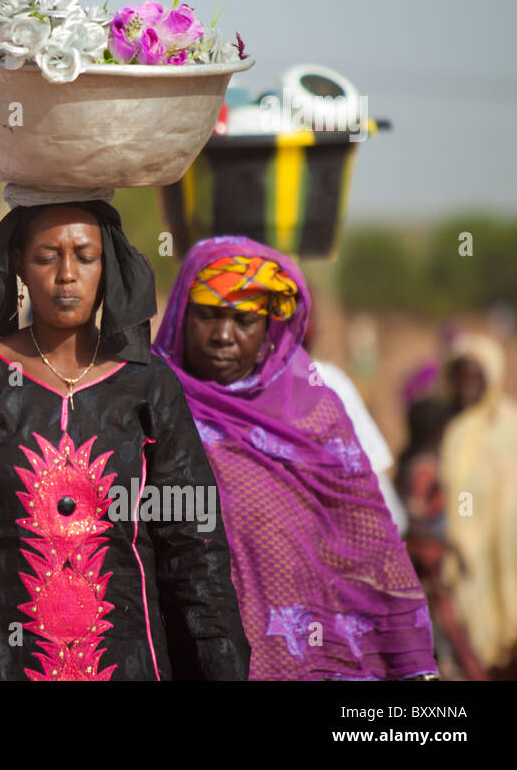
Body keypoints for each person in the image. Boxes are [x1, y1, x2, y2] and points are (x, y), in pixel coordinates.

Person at [0, 200, 251, 681]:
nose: (67, 274)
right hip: (0, 663)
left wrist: (218, 660)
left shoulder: (148, 385)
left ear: (108, 266)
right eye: (47, 257)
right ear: (21, 264)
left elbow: (192, 540)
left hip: (129, 663)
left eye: (85, 257)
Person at [154, 235, 436, 680]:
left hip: (303, 656)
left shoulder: (313, 411)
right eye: (207, 316)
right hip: (183, 651)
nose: (223, 336)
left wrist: (409, 658)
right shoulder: (151, 405)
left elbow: (370, 542)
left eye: (244, 321)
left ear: (269, 327)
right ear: (179, 317)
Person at [439, 333, 517, 679]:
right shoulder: (457, 433)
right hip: (472, 548)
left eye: (475, 376)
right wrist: (465, 528)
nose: (467, 385)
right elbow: (463, 495)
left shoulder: (509, 426)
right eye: (461, 377)